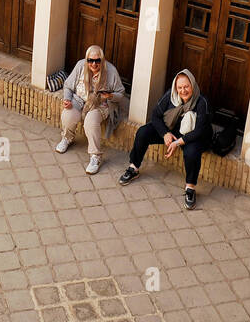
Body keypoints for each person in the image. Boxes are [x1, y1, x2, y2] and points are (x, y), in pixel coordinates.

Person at [119, 68, 212, 209]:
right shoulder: (171, 95)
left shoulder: (201, 102)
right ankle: (134, 168)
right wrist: (165, 134)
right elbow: (155, 115)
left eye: (186, 86)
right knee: (143, 132)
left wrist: (177, 143)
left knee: (192, 153)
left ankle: (190, 188)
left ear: (192, 85)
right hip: (172, 130)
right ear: (176, 87)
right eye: (180, 87)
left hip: (193, 135)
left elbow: (200, 130)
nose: (183, 91)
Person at [55, 44, 126, 175]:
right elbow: (68, 86)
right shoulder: (80, 66)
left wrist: (110, 96)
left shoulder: (111, 71)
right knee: (68, 114)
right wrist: (67, 99)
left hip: (100, 104)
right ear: (86, 60)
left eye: (97, 60)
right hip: (79, 99)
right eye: (90, 60)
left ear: (102, 60)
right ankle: (67, 138)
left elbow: (121, 93)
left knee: (90, 122)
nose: (94, 64)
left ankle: (95, 156)